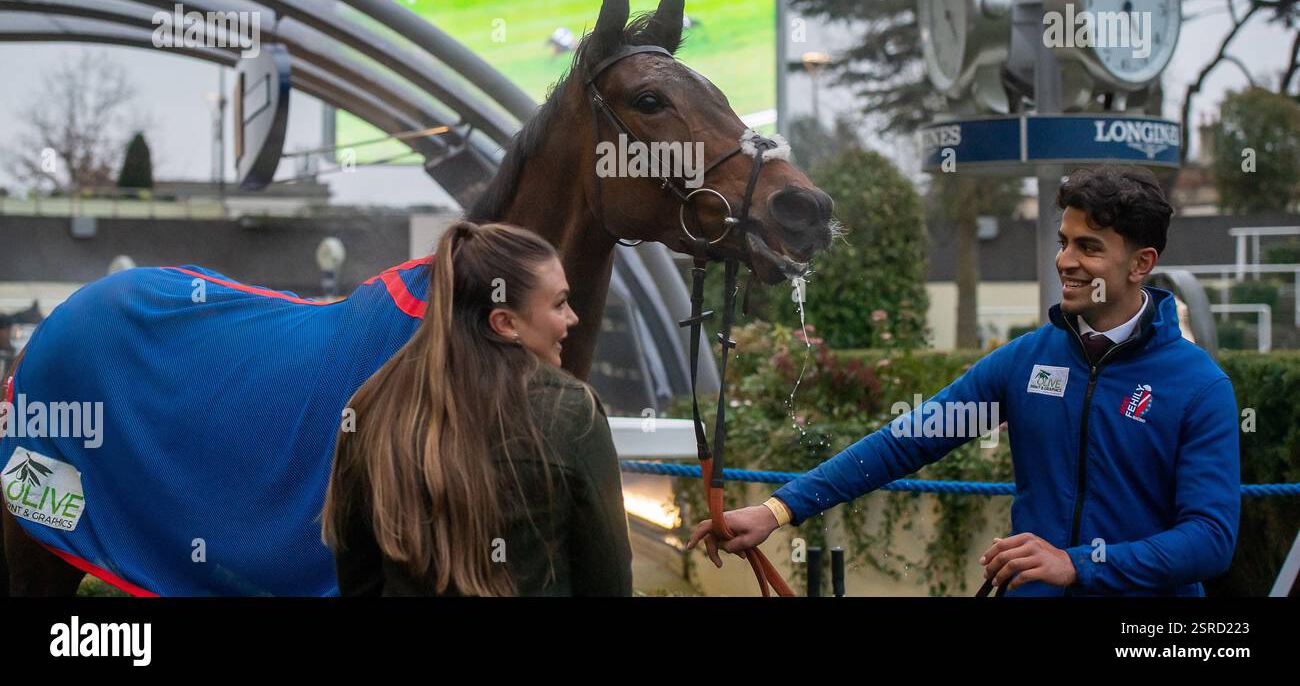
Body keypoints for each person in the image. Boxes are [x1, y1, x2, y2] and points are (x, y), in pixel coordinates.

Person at [689, 165, 1241, 596]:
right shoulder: (1026, 362)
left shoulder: (1198, 386)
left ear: (1141, 264)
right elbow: (905, 442)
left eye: (1089, 248)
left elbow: (1210, 541)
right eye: (1064, 241)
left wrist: (1078, 564)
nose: (1065, 261)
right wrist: (775, 511)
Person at [322, 221, 633, 596]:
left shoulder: (372, 406)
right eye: (559, 303)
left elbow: (358, 576)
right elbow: (608, 580)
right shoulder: (571, 413)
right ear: (505, 322)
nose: (573, 318)